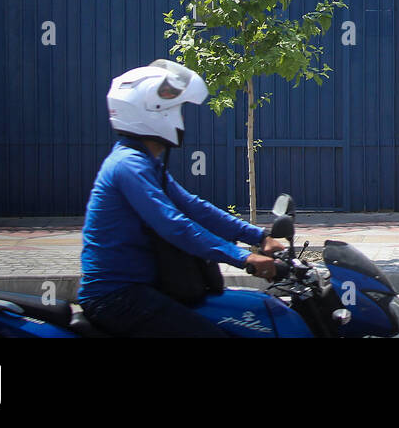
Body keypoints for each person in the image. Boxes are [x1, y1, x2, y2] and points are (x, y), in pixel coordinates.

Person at [77, 59, 284, 337]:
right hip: (115, 296)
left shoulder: (145, 163)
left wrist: (259, 236)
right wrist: (242, 257)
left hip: (140, 289)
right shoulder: (129, 165)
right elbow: (173, 224)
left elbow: (194, 208)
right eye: (179, 110)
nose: (182, 119)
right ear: (155, 112)